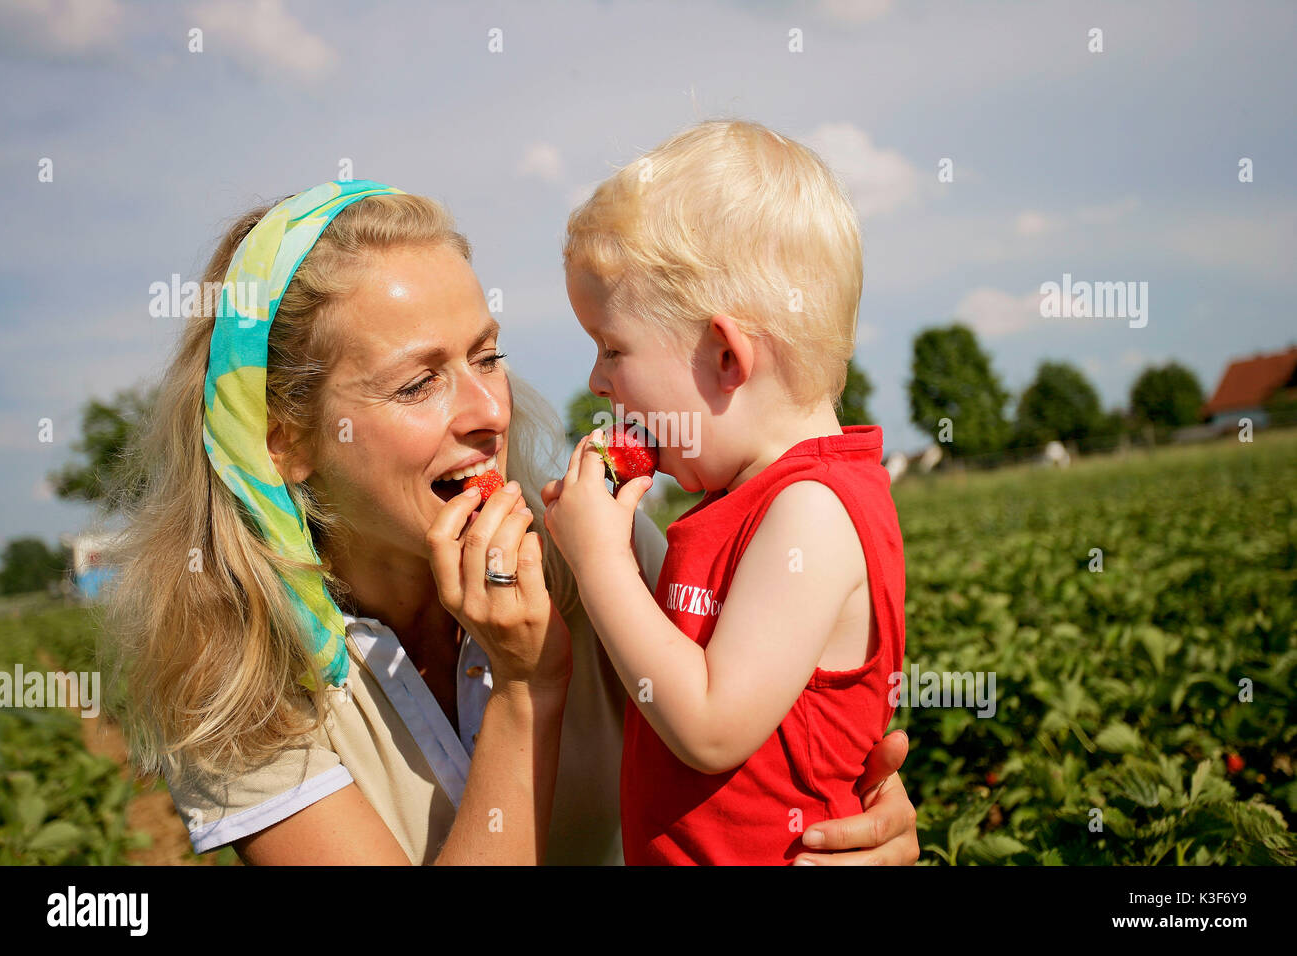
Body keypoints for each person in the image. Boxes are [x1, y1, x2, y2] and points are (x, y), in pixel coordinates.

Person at [102, 179, 919, 865]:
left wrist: (864, 828)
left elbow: (751, 751)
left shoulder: (603, 555)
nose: (489, 411)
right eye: (418, 384)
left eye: (486, 357)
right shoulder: (231, 678)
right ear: (287, 442)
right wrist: (528, 691)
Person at [545, 119, 904, 864]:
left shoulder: (812, 510)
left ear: (725, 355)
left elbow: (710, 727)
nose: (596, 381)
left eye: (613, 347)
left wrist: (600, 563)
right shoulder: (747, 502)